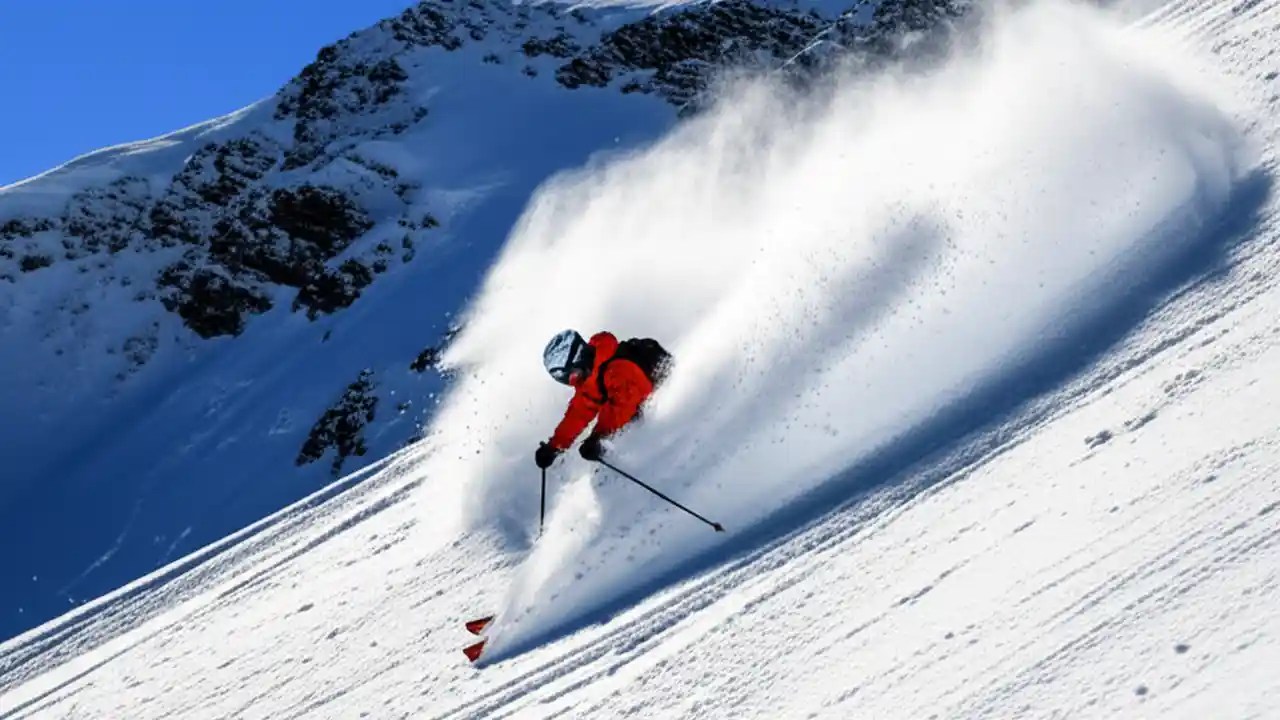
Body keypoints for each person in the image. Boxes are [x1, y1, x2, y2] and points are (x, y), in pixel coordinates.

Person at [535, 329, 672, 468]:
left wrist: (599, 436)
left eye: (571, 376)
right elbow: (578, 414)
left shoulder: (619, 368)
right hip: (639, 421)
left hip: (663, 420)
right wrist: (553, 447)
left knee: (616, 440)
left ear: (578, 361)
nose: (572, 381)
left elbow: (623, 406)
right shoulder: (591, 380)